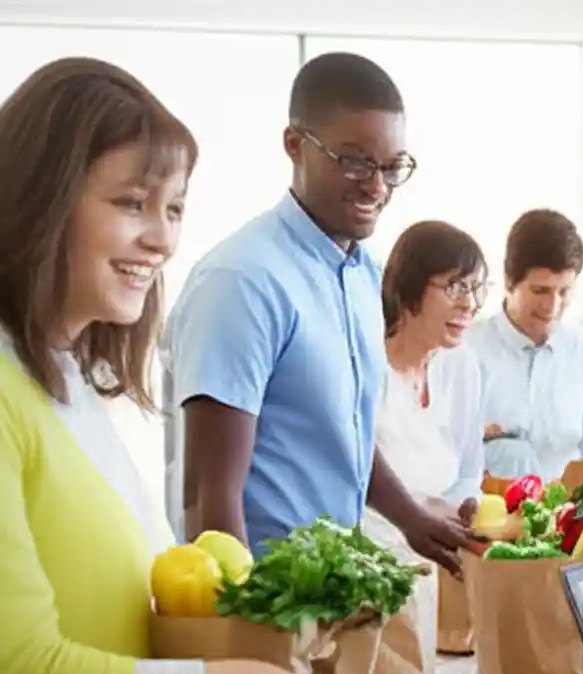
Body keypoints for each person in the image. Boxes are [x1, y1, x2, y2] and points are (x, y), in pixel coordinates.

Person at [0, 57, 363, 674]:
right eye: (131, 203)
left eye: (172, 209)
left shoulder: (66, 384)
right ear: (40, 198)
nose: (162, 238)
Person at [162, 52, 476, 572]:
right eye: (354, 160)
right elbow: (208, 498)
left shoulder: (362, 274)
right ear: (294, 144)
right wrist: (247, 629)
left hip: (335, 586)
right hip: (268, 600)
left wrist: (412, 518)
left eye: (392, 166)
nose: (377, 186)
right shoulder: (243, 281)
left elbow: (342, 434)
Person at [360, 220, 489, 674]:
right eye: (455, 286)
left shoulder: (462, 368)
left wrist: (465, 508)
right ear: (410, 286)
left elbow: (465, 471)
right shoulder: (366, 364)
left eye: (477, 288)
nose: (470, 304)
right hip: (365, 574)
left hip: (425, 569)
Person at [466, 208, 583, 480]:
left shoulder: (581, 351)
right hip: (487, 512)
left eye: (564, 292)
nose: (552, 307)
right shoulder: (468, 349)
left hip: (563, 509)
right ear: (509, 280)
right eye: (540, 290)